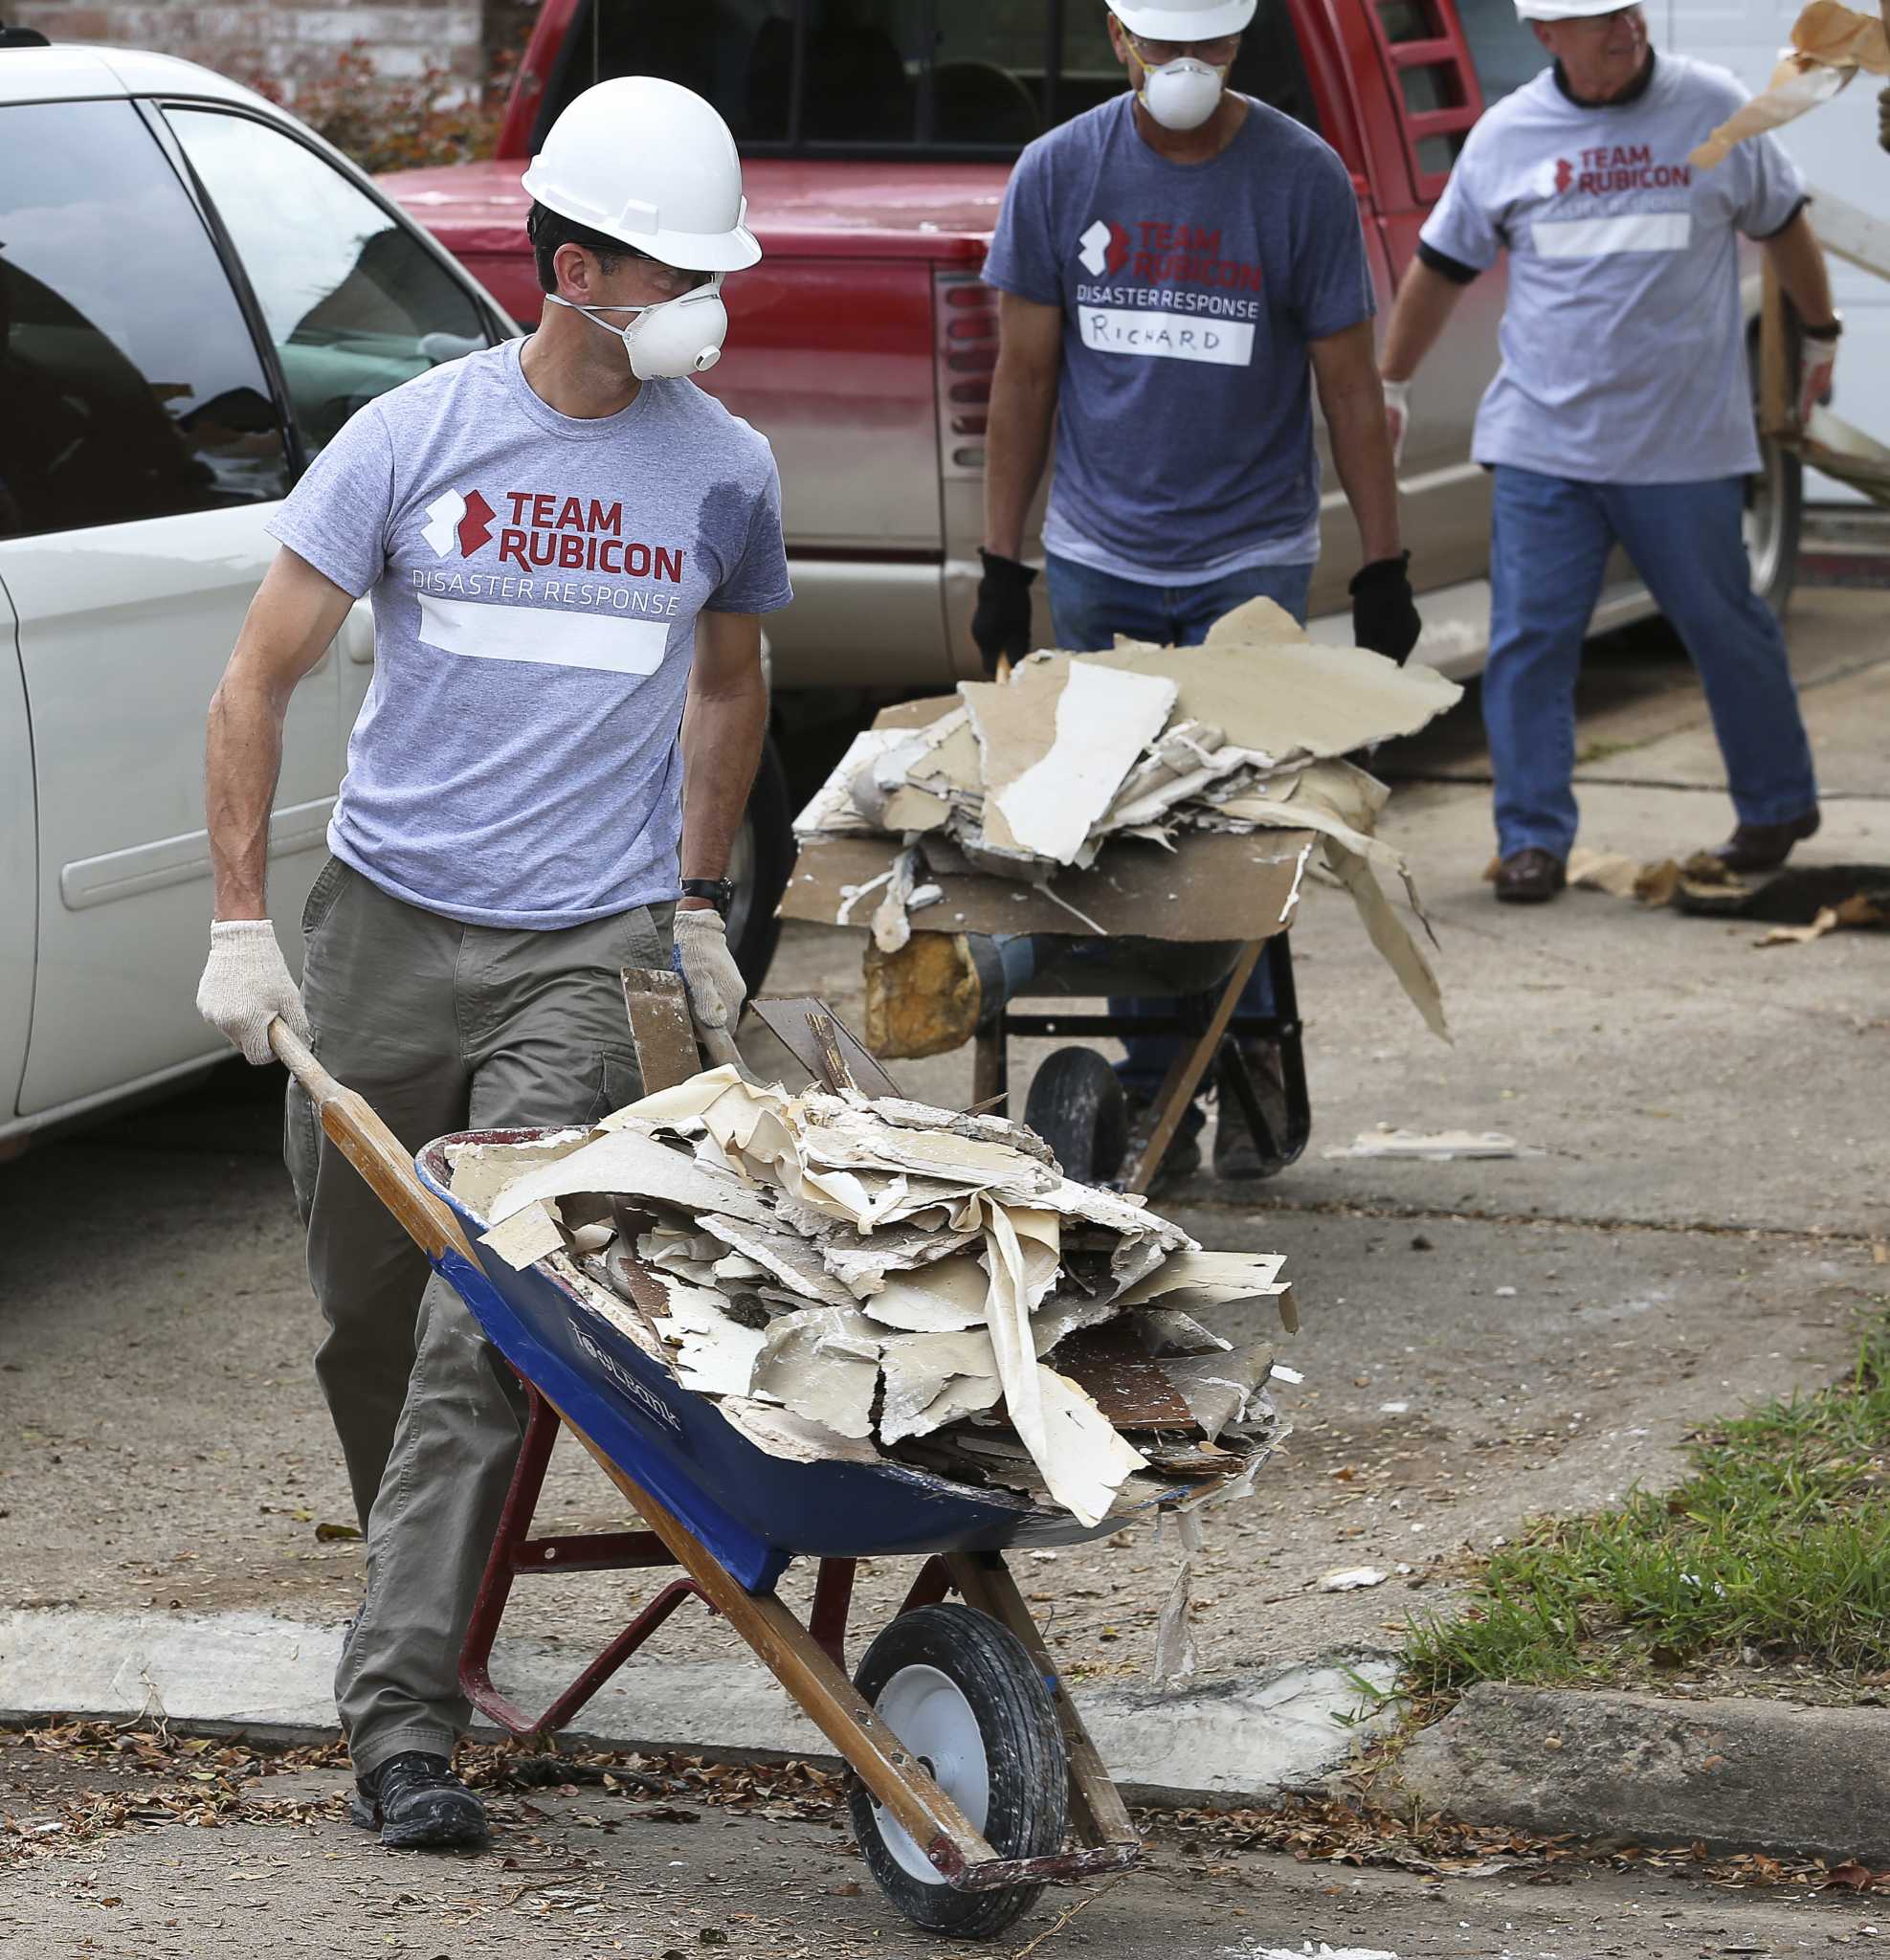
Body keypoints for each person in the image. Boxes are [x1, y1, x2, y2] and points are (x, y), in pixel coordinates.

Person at [194, 77, 790, 1848]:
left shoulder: (725, 467)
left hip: (580, 950)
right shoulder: (411, 441)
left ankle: (400, 1717)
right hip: (383, 927)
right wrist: (241, 920)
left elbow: (735, 679)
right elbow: (257, 681)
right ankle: (421, 1594)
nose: (705, 297)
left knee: (481, 1322)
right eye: (673, 266)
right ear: (575, 264)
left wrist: (692, 897)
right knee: (365, 1316)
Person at [973, 0, 1418, 1182]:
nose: (1185, 70)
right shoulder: (1058, 173)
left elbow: (1348, 386)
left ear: (1242, 41)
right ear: (1118, 35)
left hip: (1247, 564)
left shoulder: (1299, 177)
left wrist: (1383, 565)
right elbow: (1020, 379)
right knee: (1119, 829)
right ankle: (1157, 1071)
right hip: (1099, 555)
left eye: (1209, 48)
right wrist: (998, 563)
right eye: (1163, 45)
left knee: (1240, 824)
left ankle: (1244, 1049)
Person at [1378, 0, 1838, 903]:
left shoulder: (1711, 102)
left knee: (1723, 625)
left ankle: (1777, 805)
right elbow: (1441, 265)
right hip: (1543, 443)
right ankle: (1531, 840)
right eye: (1596, 19)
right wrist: (1388, 382)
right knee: (1529, 643)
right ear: (1546, 34)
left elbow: (1783, 217)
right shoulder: (1508, 135)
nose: (1625, 28)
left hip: (1684, 446)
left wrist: (1818, 333)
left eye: (1628, 11)